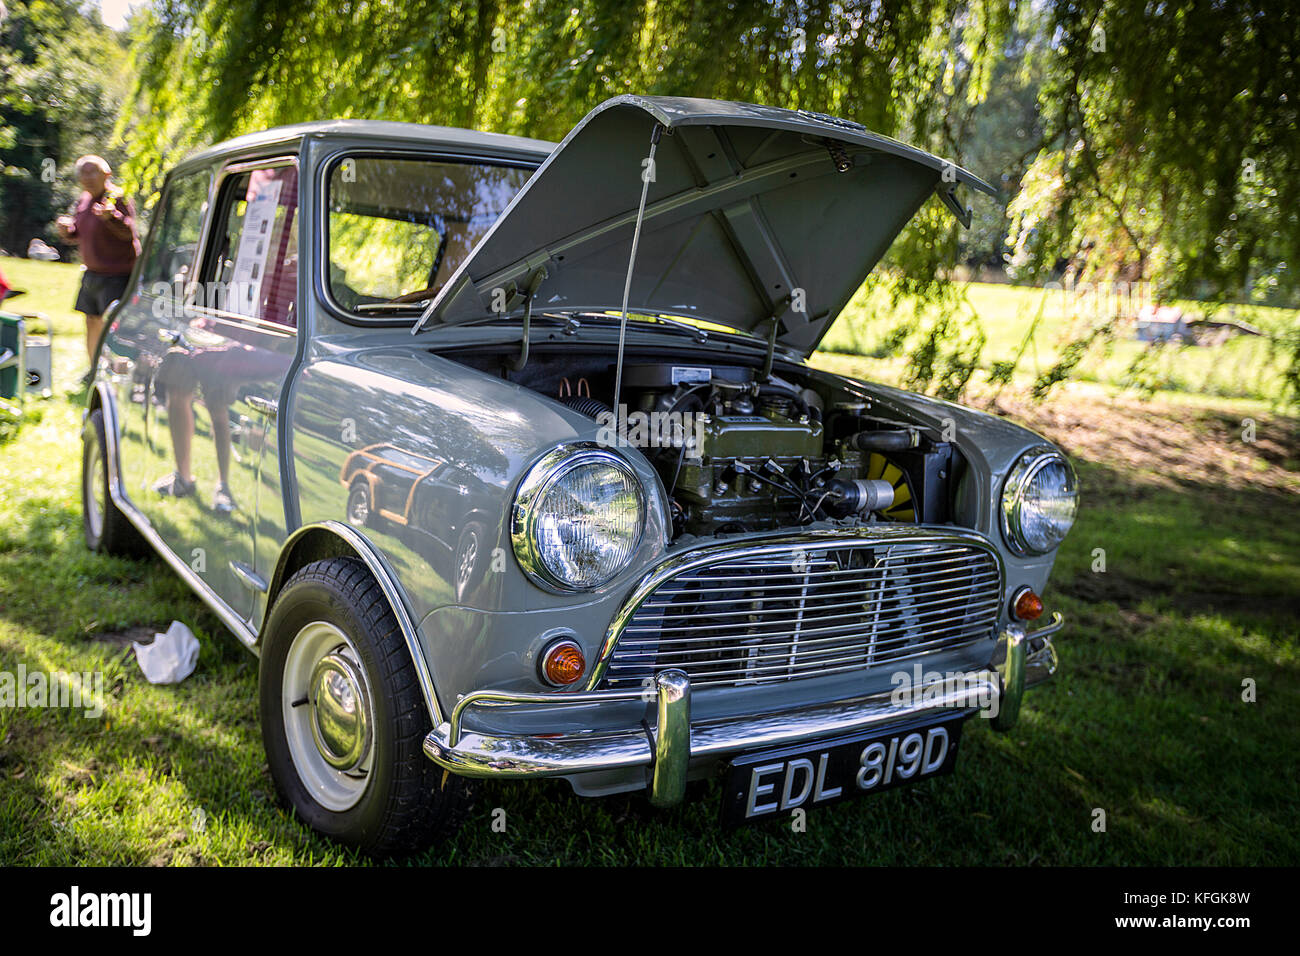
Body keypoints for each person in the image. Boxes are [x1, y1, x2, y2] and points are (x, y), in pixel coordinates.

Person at [55, 155, 140, 381]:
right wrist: (68, 231)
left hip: (118, 275)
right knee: (91, 321)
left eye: (92, 172)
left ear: (107, 175)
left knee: (116, 326)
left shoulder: (116, 197)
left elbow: (129, 233)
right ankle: (94, 370)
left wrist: (111, 218)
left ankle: (117, 372)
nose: (87, 177)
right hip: (92, 273)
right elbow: (81, 232)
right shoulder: (84, 200)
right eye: (83, 173)